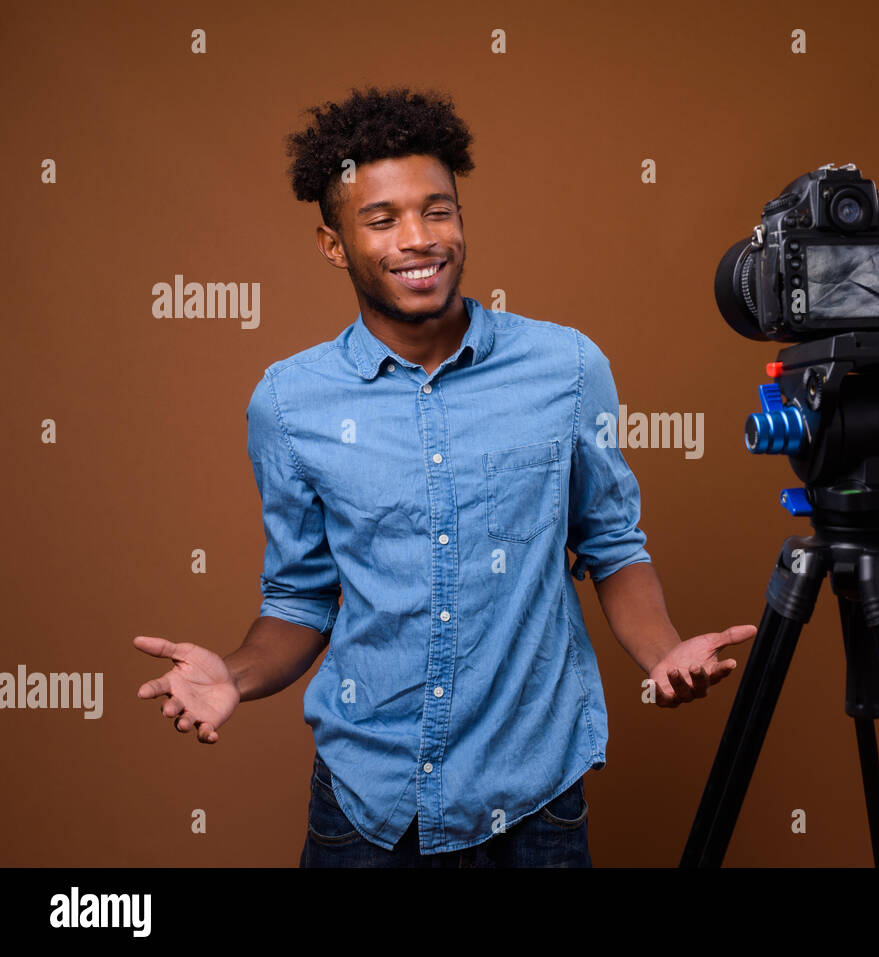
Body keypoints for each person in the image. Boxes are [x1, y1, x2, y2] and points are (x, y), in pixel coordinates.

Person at [133, 86, 755, 868]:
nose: (419, 239)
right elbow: (299, 597)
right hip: (365, 806)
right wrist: (236, 672)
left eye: (438, 209)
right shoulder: (289, 403)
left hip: (535, 802)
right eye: (382, 218)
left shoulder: (566, 368)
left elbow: (611, 543)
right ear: (333, 243)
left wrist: (662, 652)